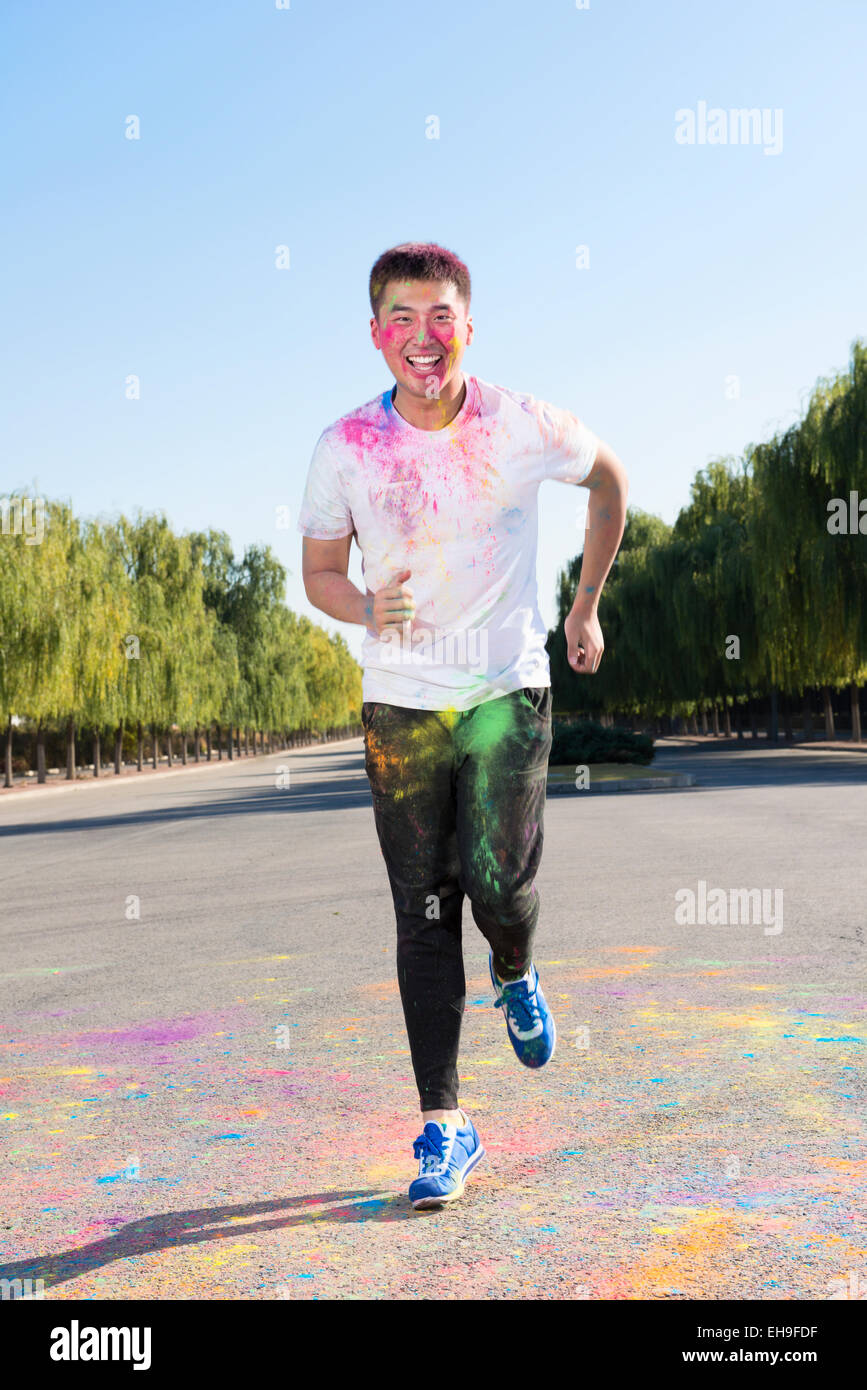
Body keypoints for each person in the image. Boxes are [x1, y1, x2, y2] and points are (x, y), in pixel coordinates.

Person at [298, 242, 628, 1209]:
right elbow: (319, 573)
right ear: (375, 335)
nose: (421, 337)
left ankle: (516, 967)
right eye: (400, 318)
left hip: (504, 690)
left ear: (468, 327)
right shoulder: (343, 447)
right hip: (400, 700)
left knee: (496, 883)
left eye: (439, 315)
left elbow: (609, 484)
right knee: (422, 906)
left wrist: (584, 607)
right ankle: (446, 1124)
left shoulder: (522, 423)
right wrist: (364, 609)